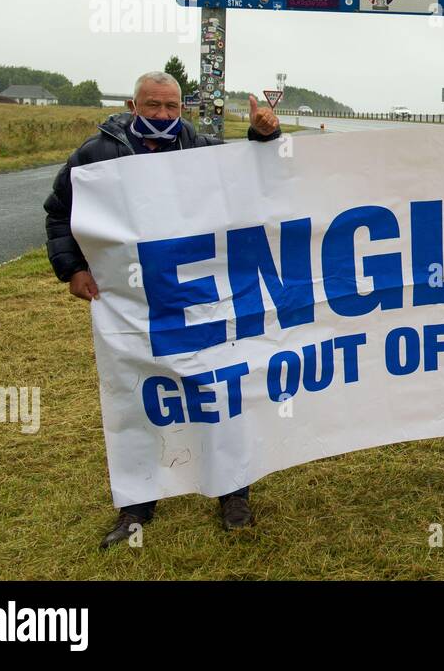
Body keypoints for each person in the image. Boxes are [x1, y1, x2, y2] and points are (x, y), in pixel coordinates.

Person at [43, 71, 281, 549]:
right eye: (153, 106)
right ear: (133, 105)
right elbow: (58, 212)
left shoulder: (199, 149)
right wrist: (71, 268)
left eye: (172, 107)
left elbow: (250, 170)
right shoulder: (95, 155)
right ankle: (137, 503)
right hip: (133, 306)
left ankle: (233, 492)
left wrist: (263, 134)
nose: (163, 116)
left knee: (219, 392)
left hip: (200, 301)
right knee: (140, 398)